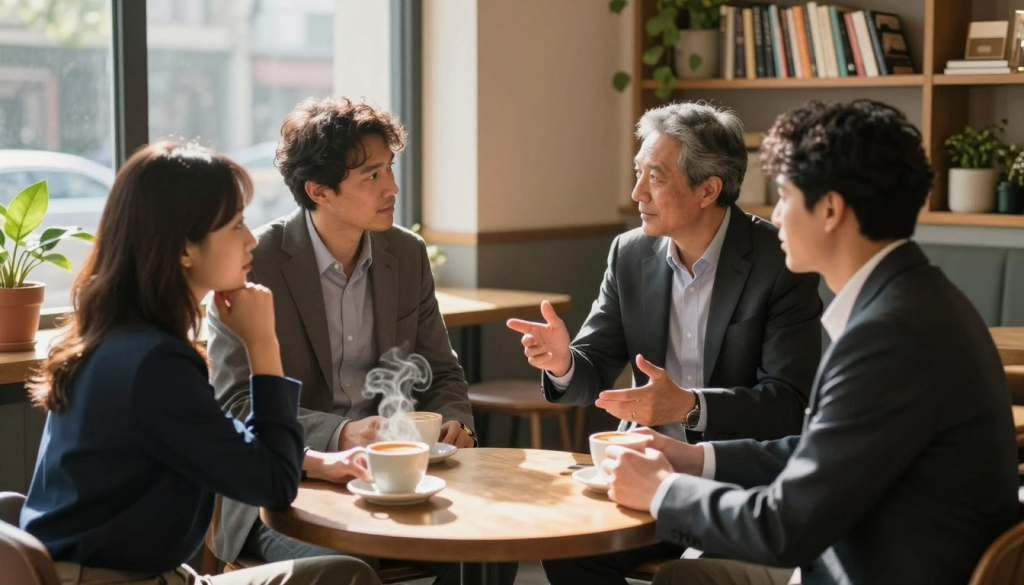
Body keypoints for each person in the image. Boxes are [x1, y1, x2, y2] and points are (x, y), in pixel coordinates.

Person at [602, 99, 1023, 585]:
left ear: (829, 209)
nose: (775, 216)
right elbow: (824, 451)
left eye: (783, 195)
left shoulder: (888, 337)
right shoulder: (919, 298)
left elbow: (786, 528)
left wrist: (661, 490)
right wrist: (693, 458)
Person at [20, 141, 378, 585]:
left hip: (97, 573)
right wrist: (263, 343)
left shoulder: (116, 339)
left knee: (340, 572)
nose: (250, 239)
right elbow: (273, 485)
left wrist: (313, 461)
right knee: (345, 576)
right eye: (235, 225)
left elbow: (217, 443)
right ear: (185, 249)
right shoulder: (156, 363)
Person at [507, 101, 822, 585]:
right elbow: (594, 370)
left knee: (690, 576)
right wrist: (564, 362)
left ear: (708, 190)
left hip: (734, 483)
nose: (636, 193)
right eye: (638, 173)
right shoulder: (630, 253)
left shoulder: (777, 263)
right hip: (643, 473)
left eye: (654, 176)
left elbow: (788, 402)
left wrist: (689, 407)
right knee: (568, 549)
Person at [206, 97, 515, 585]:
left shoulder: (406, 255)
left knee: (493, 541)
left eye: (389, 169)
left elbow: (442, 370)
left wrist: (455, 422)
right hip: (290, 484)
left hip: (399, 474)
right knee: (351, 562)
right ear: (319, 191)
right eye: (371, 176)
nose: (392, 186)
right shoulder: (254, 261)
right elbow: (234, 404)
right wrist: (339, 435)